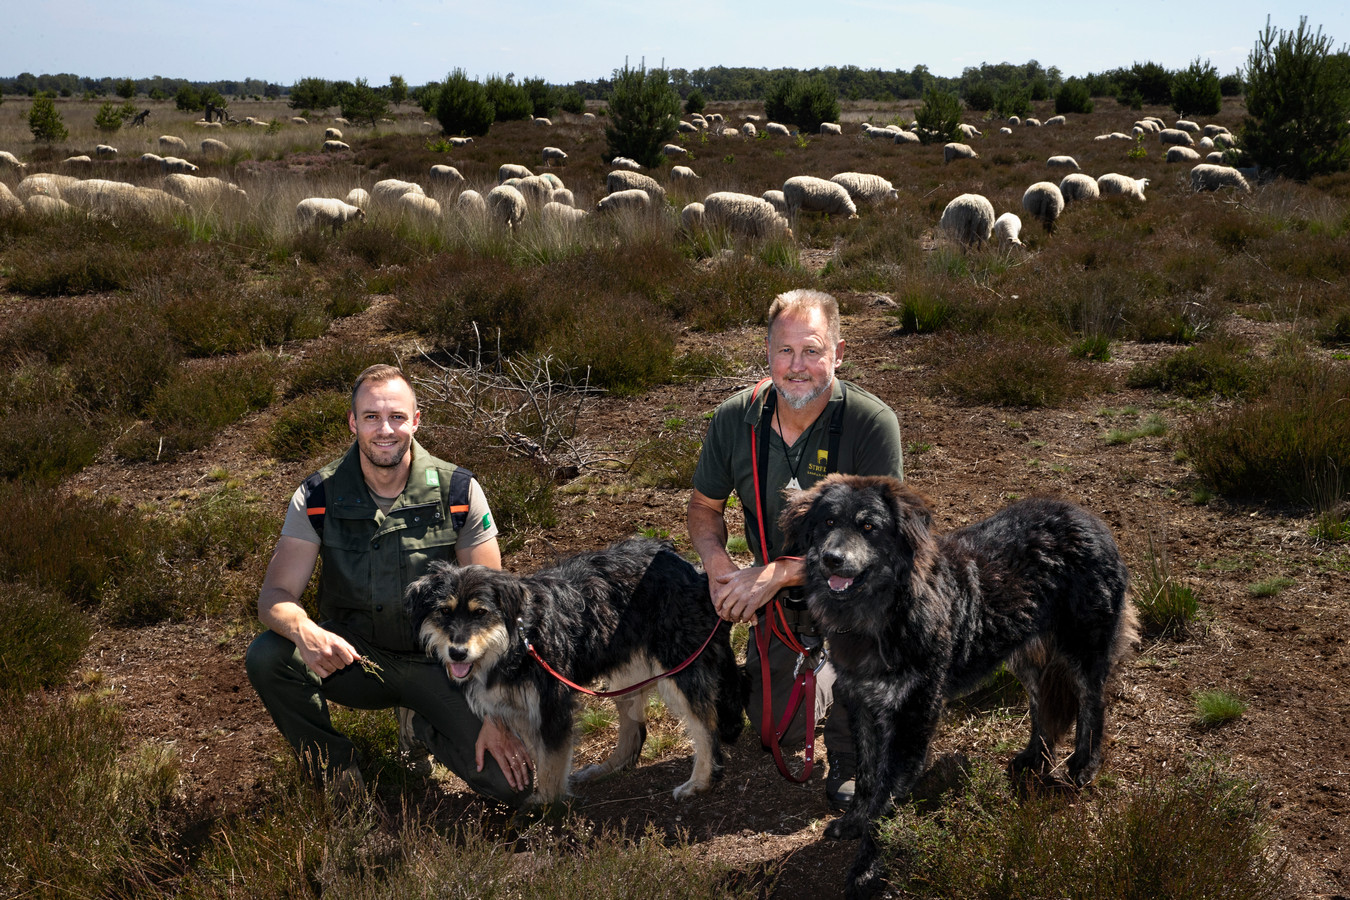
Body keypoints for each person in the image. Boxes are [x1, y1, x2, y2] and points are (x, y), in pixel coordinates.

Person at [245, 364, 532, 804]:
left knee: (514, 787)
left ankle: (421, 725)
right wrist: (306, 631)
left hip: (444, 665)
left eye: (397, 416)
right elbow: (274, 597)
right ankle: (335, 768)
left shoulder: (458, 490)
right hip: (355, 660)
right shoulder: (318, 495)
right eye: (372, 417)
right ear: (352, 421)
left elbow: (496, 614)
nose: (386, 430)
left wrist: (497, 714)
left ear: (416, 420)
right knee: (269, 655)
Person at [687, 289, 904, 809]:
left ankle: (855, 752)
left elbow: (884, 544)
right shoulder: (735, 419)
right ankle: (806, 674)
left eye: (812, 350)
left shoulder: (871, 424)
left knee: (868, 637)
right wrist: (719, 568)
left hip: (858, 594)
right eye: (784, 351)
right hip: (780, 609)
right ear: (767, 353)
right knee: (770, 728)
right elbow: (702, 508)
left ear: (839, 353)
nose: (797, 366)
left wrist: (779, 573)